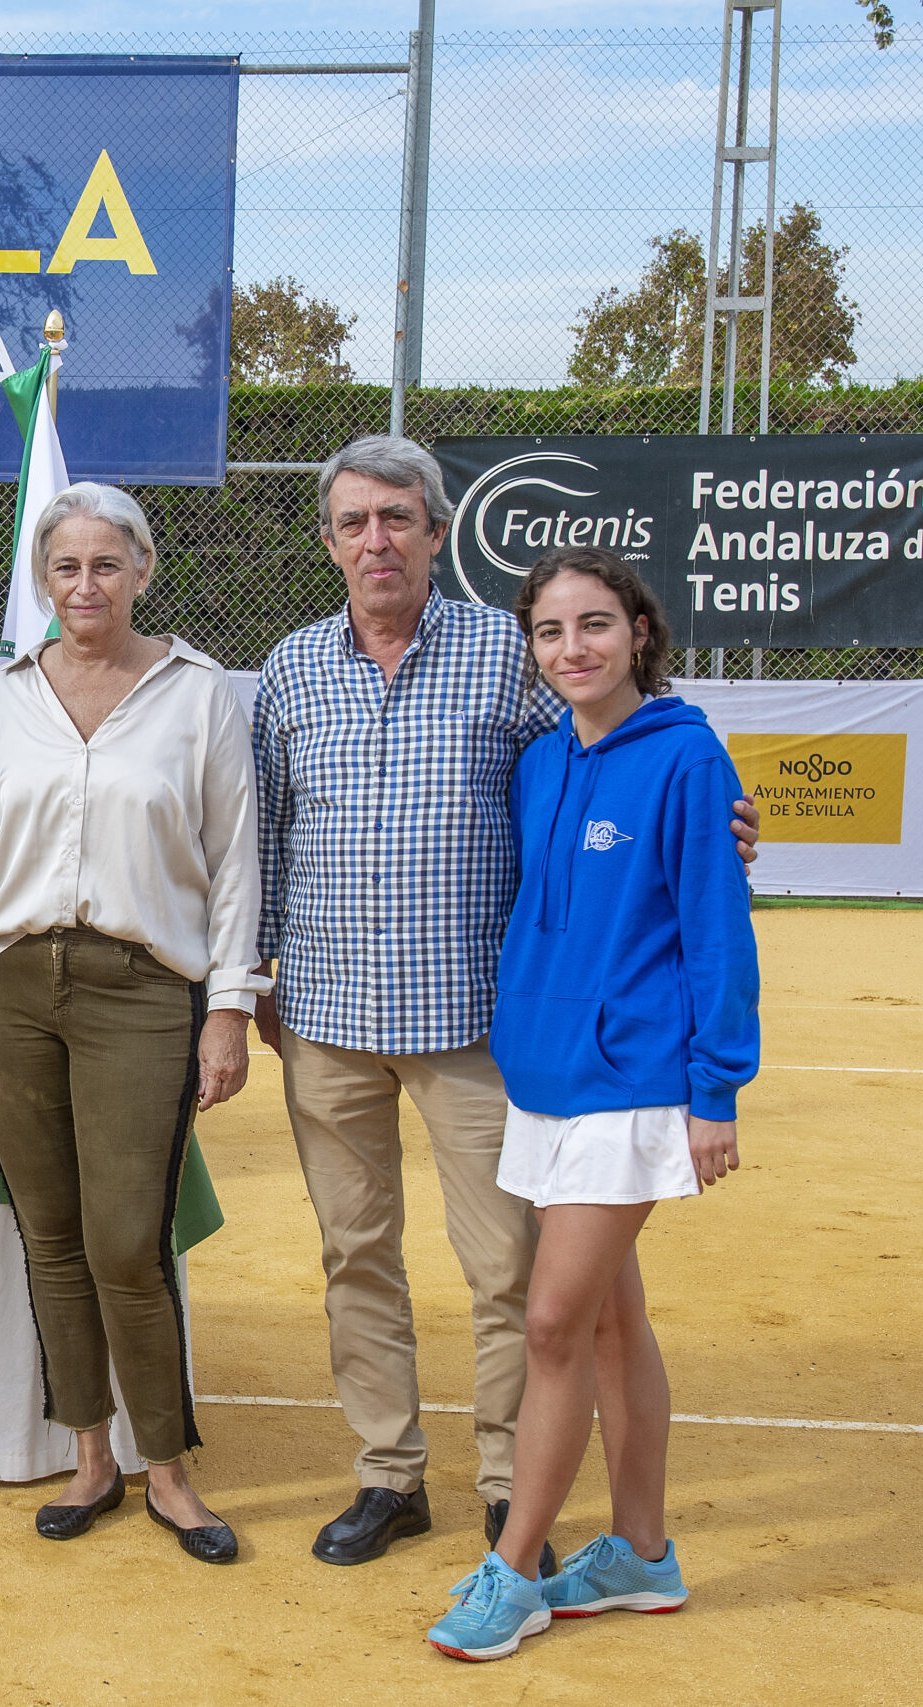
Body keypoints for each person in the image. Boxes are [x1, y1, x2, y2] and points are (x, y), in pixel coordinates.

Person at [253, 434, 758, 1571]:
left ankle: (502, 1483)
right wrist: (260, 978)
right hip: (325, 1018)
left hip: (476, 1024)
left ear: (436, 530)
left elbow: (614, 753)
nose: (375, 540)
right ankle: (388, 1475)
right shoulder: (288, 668)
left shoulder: (507, 650)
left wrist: (721, 824)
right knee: (355, 1255)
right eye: (352, 522)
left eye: (397, 517)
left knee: (510, 1275)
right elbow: (265, 839)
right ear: (329, 541)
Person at [0, 483, 259, 1566]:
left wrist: (230, 1008)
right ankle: (90, 1457)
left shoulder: (200, 694)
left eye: (107, 565)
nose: (85, 585)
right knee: (49, 1237)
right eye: (65, 567)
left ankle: (169, 1471)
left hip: (144, 990)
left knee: (124, 1240)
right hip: (8, 986)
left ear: (143, 573)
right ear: (41, 580)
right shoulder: (3, 695)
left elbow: (236, 864)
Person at [427, 547, 755, 1662]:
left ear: (639, 634)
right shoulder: (536, 762)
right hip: (545, 1076)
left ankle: (514, 1569)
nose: (573, 649)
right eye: (551, 631)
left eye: (595, 625)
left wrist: (715, 1091)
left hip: (636, 1079)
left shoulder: (688, 758)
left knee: (553, 1321)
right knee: (611, 1319)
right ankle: (640, 1554)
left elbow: (716, 928)